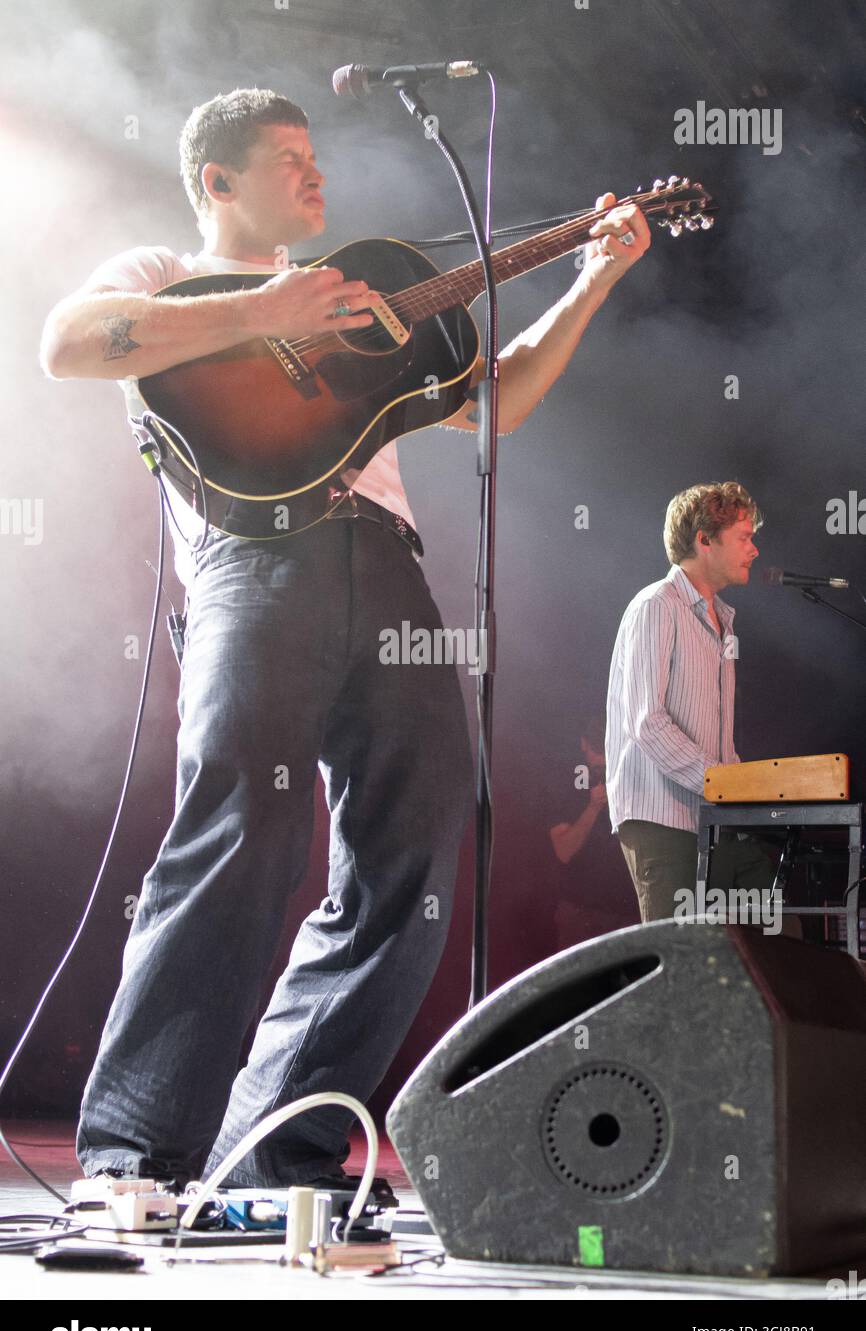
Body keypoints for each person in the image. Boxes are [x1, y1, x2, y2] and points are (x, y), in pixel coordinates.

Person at [41, 87, 650, 1191]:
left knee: (412, 852)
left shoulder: (369, 301)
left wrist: (592, 277)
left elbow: (495, 400)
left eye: (315, 157)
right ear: (218, 181)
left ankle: (275, 1155)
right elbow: (69, 343)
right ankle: (133, 1152)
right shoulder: (158, 274)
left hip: (387, 566)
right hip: (254, 561)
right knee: (240, 833)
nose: (316, 177)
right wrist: (260, 312)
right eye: (288, 158)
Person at [606, 481, 791, 929]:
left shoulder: (723, 620)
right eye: (744, 538)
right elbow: (647, 722)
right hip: (663, 819)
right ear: (704, 540)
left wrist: (744, 793)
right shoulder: (656, 605)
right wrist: (722, 784)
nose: (755, 550)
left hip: (714, 819)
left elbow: (718, 743)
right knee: (683, 966)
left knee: (777, 934)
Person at [548, 716, 636, 948]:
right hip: (580, 912)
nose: (601, 766)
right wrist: (594, 807)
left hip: (627, 913)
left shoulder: (634, 776)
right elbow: (564, 851)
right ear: (583, 744)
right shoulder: (566, 783)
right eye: (596, 753)